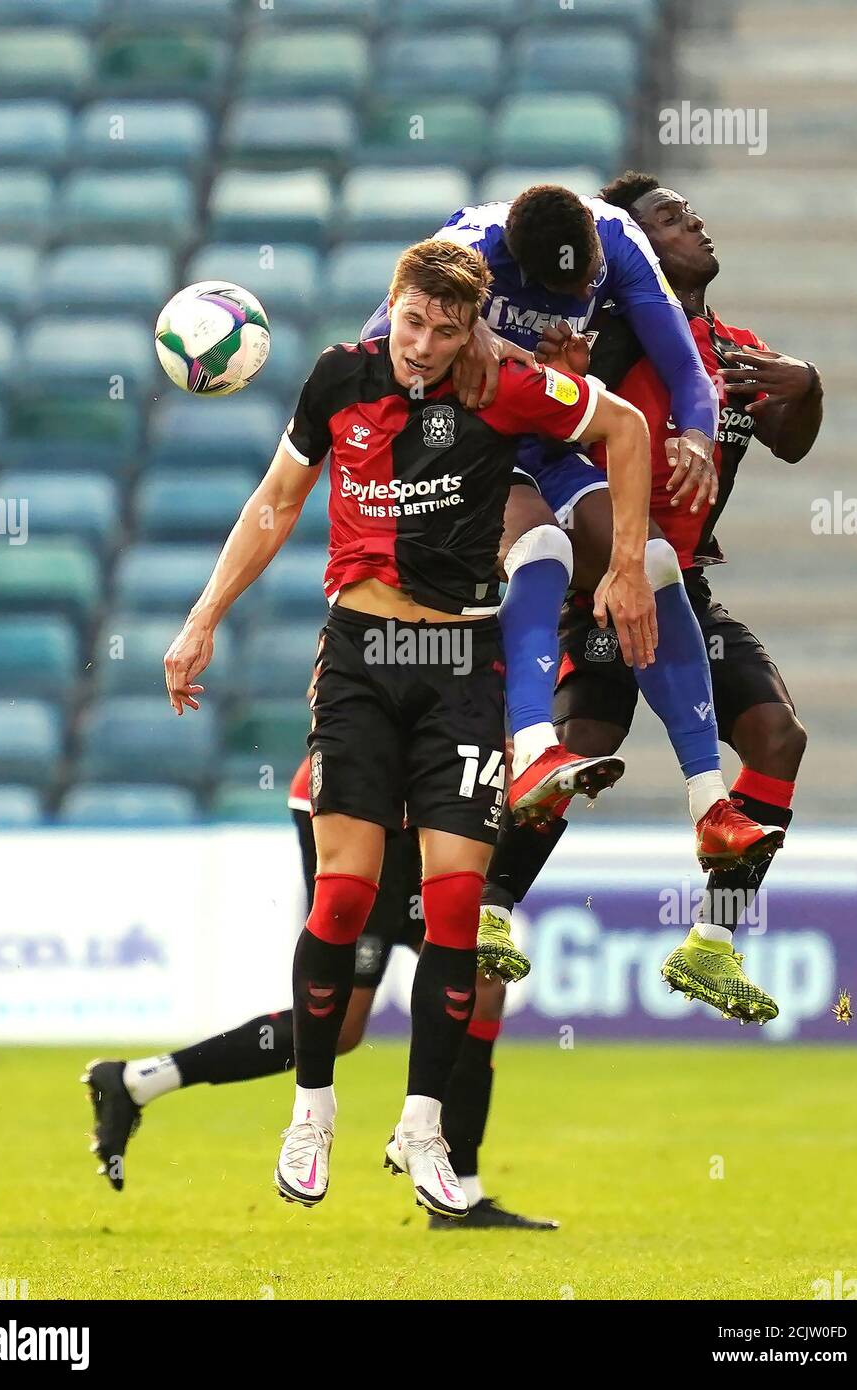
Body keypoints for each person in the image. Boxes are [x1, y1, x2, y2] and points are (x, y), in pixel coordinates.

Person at [152, 238, 652, 1219]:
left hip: (462, 670)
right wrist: (201, 615)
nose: (422, 344)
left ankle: (421, 1128)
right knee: (340, 900)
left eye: (444, 327)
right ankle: (310, 1112)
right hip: (361, 663)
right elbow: (273, 504)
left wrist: (626, 563)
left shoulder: (510, 386)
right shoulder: (340, 378)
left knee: (458, 909)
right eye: (411, 322)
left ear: (471, 325)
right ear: (394, 309)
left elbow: (627, 428)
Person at [362, 185, 785, 983]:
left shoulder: (616, 242)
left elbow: (687, 372)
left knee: (653, 561)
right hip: (457, 446)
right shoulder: (467, 251)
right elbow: (381, 355)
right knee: (544, 548)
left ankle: (710, 808)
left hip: (544, 433)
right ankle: (530, 751)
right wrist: (468, 347)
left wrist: (695, 435)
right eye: (561, 295)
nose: (582, 300)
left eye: (588, 287)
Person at [483, 171, 822, 1023]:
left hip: (683, 579)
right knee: (582, 744)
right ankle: (486, 913)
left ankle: (711, 946)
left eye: (689, 210)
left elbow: (789, 444)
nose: (693, 222)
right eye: (668, 218)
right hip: (608, 568)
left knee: (776, 737)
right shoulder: (611, 335)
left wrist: (805, 387)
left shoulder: (737, 351)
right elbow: (540, 425)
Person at [83, 753, 558, 1228]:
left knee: (481, 984)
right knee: (346, 1024)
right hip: (369, 805)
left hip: (427, 809)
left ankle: (464, 1192)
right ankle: (136, 1080)